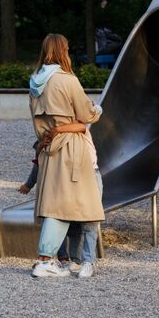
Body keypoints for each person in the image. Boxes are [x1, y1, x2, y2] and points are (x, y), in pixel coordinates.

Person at [27, 33, 104, 281]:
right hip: (71, 149)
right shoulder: (67, 80)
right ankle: (47, 260)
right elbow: (87, 114)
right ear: (63, 51)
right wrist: (97, 109)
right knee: (76, 205)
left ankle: (52, 259)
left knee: (54, 203)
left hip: (49, 147)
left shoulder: (35, 82)